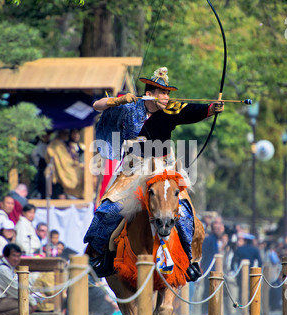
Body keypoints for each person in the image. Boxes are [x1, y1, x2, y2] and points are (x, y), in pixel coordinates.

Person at [84, 66, 224, 281]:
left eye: (168, 93)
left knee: (185, 215)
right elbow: (97, 105)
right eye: (162, 93)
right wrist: (119, 100)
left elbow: (193, 110)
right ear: (148, 94)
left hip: (164, 170)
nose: (166, 97)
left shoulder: (171, 110)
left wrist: (212, 108)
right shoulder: (129, 107)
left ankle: (189, 260)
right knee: (109, 210)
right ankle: (97, 255)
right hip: (132, 170)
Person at [0, 243, 38, 315]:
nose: (16, 259)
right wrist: (33, 301)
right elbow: (15, 289)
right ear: (6, 256)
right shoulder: (3, 269)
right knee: (27, 304)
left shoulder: (7, 267)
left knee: (27, 299)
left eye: (18, 256)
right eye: (14, 256)